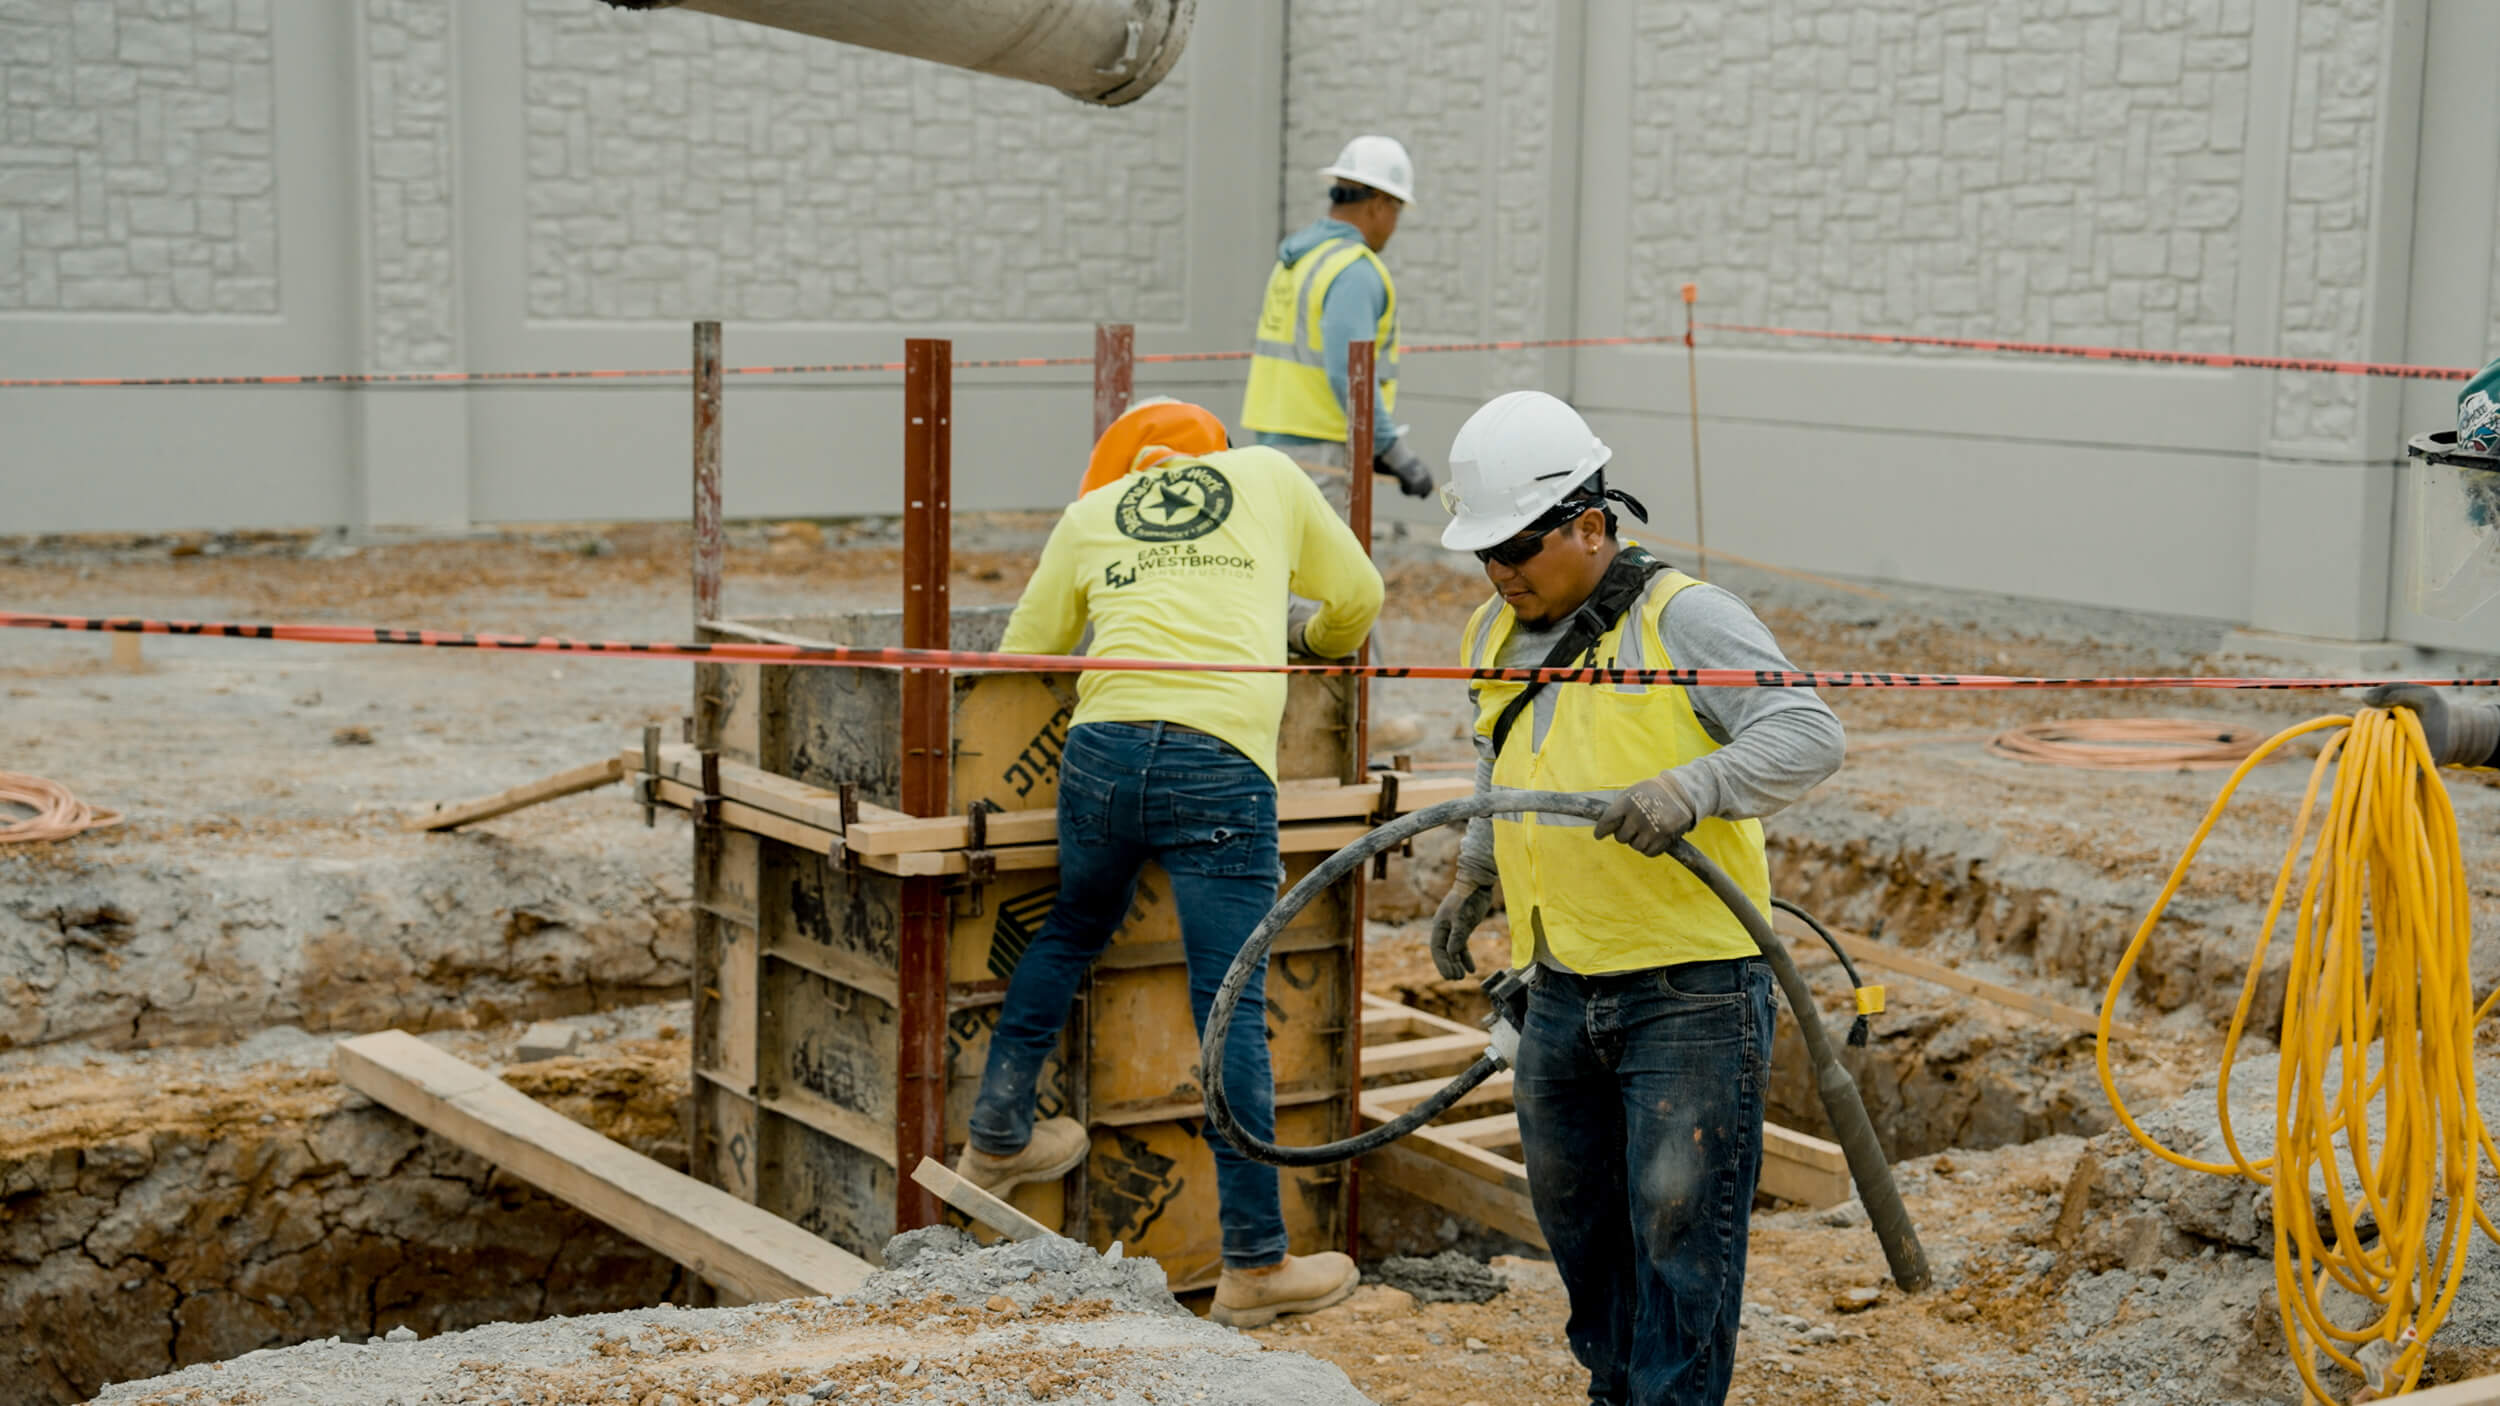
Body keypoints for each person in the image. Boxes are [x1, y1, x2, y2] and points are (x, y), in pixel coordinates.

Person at [1425, 391, 1846, 1403]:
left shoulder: (1683, 617)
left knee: (1679, 1236)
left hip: (1687, 990)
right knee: (1581, 1229)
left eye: (1518, 548)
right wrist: (1476, 871)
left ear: (1588, 525)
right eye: (1485, 553)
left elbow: (1808, 733)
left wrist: (1689, 787)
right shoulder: (1493, 628)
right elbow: (1499, 754)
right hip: (1558, 978)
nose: (1501, 572)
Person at [955, 397, 1384, 1328]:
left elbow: (1026, 651)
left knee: (1071, 927)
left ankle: (994, 1139)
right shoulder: (1267, 474)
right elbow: (1359, 597)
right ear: (1215, 452)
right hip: (1220, 761)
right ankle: (1255, 1266)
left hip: (1102, 753)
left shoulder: (1090, 513)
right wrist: (1308, 643)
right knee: (1228, 1002)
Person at [1241, 134, 1436, 506]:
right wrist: (1395, 452)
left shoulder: (1300, 259)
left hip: (1275, 442)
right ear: (1378, 205)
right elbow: (1349, 372)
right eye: (1396, 210)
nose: (1394, 224)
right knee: (1327, 547)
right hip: (1321, 452)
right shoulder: (1353, 272)